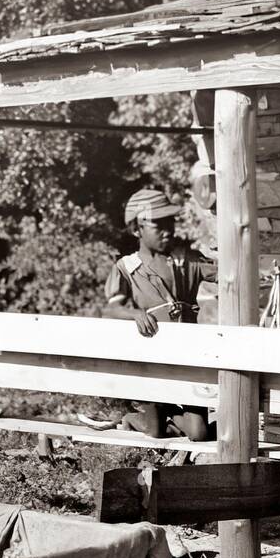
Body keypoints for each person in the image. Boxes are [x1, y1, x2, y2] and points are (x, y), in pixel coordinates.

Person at [105, 186, 215, 441]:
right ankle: (133, 417)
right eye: (158, 225)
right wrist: (134, 314)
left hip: (187, 358)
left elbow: (225, 272)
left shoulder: (186, 260)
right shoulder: (126, 267)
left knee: (199, 433)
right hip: (152, 361)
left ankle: (172, 417)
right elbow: (112, 307)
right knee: (154, 432)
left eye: (170, 222)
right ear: (137, 229)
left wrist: (266, 275)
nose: (168, 230)